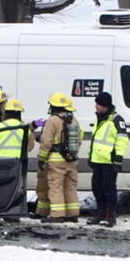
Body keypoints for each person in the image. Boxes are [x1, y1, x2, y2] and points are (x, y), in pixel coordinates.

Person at [37, 92, 81, 223]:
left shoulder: (52, 120)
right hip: (72, 159)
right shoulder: (74, 120)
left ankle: (57, 215)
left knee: (55, 187)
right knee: (70, 186)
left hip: (56, 160)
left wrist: (41, 158)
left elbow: (46, 142)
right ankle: (72, 214)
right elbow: (79, 139)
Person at [87, 91, 129, 227]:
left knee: (108, 189)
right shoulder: (99, 118)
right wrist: (91, 157)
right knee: (97, 188)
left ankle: (110, 216)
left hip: (109, 161)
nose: (95, 106)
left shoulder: (116, 119)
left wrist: (118, 158)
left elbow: (122, 140)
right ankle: (100, 214)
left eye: (98, 104)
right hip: (98, 160)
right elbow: (96, 140)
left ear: (105, 105)